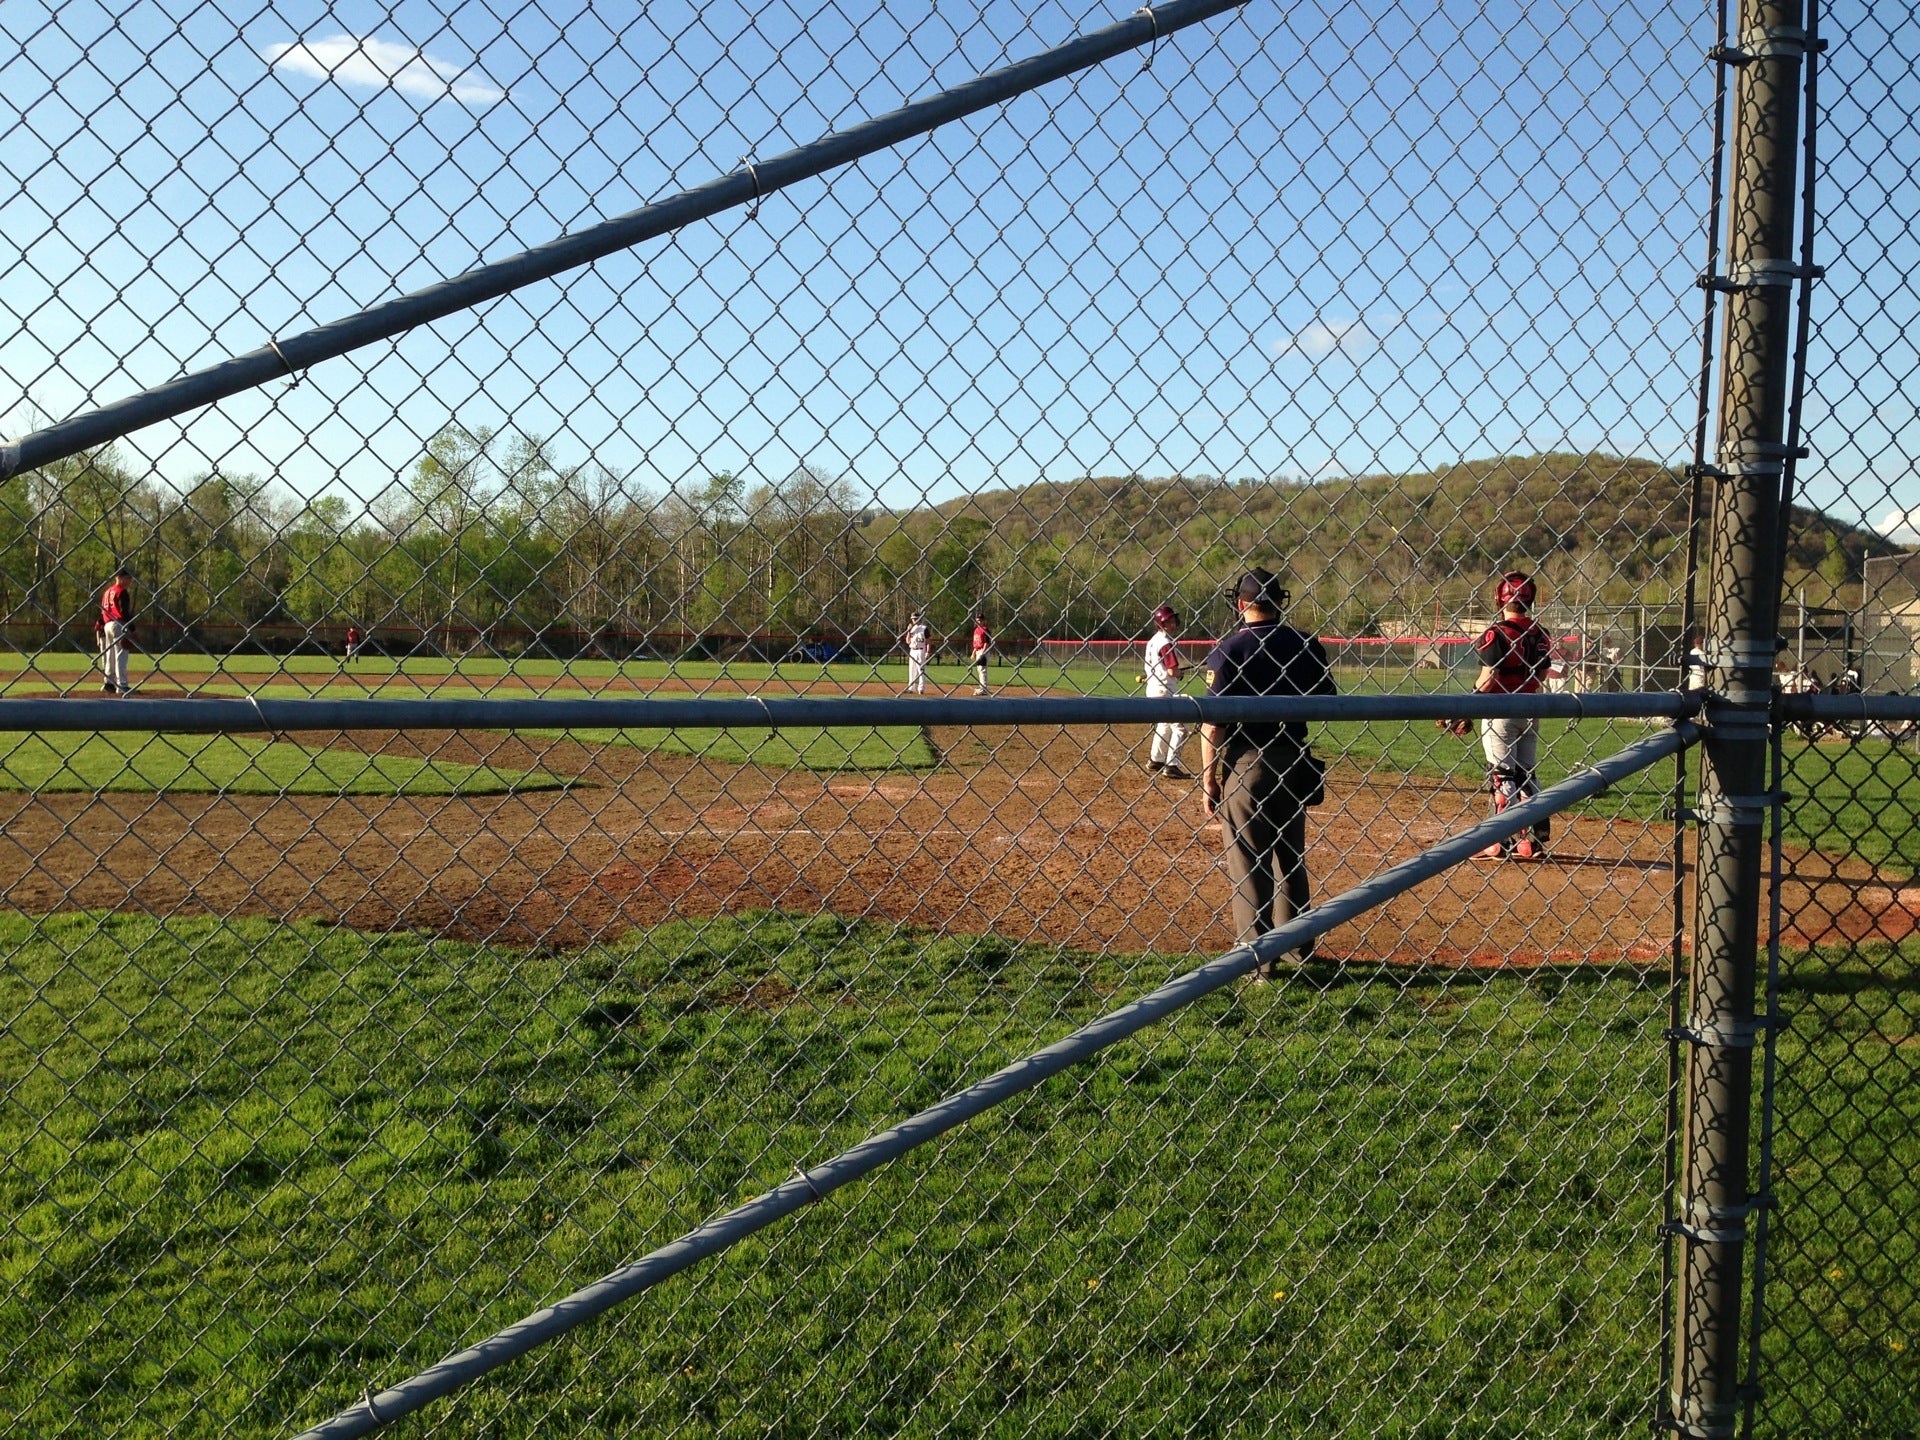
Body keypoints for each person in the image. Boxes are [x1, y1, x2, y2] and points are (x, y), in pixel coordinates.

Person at [1200, 568, 1336, 977]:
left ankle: (1257, 961)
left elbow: (1213, 724)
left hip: (1248, 761)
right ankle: (1297, 949)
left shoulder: (1230, 649)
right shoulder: (1305, 644)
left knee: (1249, 861)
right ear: (1279, 602)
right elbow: (1327, 697)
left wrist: (1209, 779)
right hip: (1294, 759)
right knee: (1290, 858)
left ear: (1241, 604)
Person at [1470, 570, 1553, 861]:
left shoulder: (1497, 632)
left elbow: (1489, 677)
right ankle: (1531, 841)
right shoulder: (1540, 633)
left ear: (1499, 599)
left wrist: (1468, 705)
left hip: (1500, 711)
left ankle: (1498, 841)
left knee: (1502, 775)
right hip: (1530, 709)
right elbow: (1541, 674)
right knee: (1526, 774)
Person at [1142, 603, 1193, 779]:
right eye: (1167, 622)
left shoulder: (1153, 641)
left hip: (1153, 689)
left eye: (1172, 621)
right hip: (1165, 690)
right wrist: (1179, 674)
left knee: (1164, 725)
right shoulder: (1166, 643)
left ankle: (1156, 760)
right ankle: (1172, 765)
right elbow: (1172, 671)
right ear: (1160, 624)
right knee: (1181, 727)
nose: (1172, 625)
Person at [99, 564, 134, 696]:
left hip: (107, 624)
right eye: (128, 578)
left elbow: (102, 610)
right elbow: (124, 612)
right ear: (120, 578)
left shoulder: (107, 591)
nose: (130, 581)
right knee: (121, 654)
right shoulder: (121, 591)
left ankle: (109, 682)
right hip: (119, 624)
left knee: (110, 654)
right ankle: (122, 685)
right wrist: (132, 628)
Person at [903, 611, 931, 695]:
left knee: (921, 669)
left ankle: (921, 688)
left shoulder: (924, 628)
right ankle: (911, 688)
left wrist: (928, 651)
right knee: (912, 669)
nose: (914, 620)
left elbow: (928, 641)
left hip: (921, 650)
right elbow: (908, 641)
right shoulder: (911, 628)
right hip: (912, 650)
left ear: (919, 619)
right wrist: (908, 631)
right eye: (912, 619)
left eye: (915, 619)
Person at [970, 614, 993, 695]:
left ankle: (983, 689)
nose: (978, 622)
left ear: (983, 621)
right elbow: (976, 643)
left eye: (980, 620)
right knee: (979, 670)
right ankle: (982, 687)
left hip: (983, 651)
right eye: (977, 620)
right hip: (977, 651)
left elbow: (987, 642)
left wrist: (983, 653)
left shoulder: (985, 630)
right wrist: (973, 652)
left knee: (982, 670)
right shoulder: (976, 630)